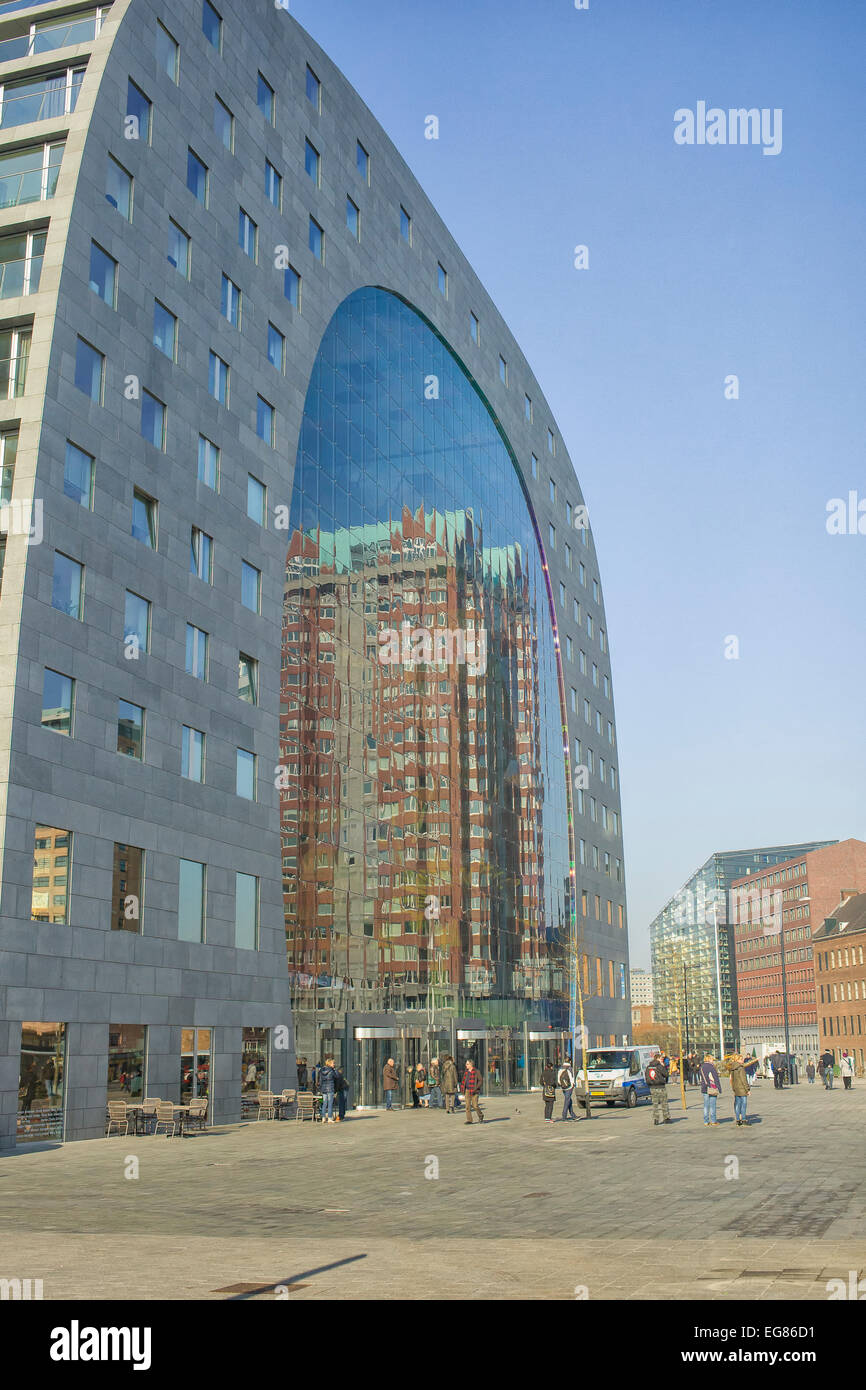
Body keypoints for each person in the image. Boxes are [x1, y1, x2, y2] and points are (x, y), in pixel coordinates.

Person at [645, 1049, 671, 1126]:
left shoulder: (649, 1066)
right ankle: (666, 1118)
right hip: (660, 1086)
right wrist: (664, 1067)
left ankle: (656, 1119)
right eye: (661, 1059)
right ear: (658, 1059)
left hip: (652, 1087)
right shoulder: (659, 1066)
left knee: (655, 1104)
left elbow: (646, 1076)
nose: (661, 1060)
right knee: (664, 1103)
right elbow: (666, 1074)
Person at [727, 1053, 750, 1127]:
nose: (743, 1060)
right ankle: (743, 1119)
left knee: (737, 1104)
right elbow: (744, 1080)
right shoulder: (740, 1068)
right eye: (741, 1059)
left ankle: (738, 1120)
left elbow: (731, 1080)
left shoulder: (732, 1068)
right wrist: (748, 1089)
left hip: (736, 1088)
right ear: (737, 1060)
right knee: (743, 1105)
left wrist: (733, 1088)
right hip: (742, 1089)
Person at [700, 1053, 722, 1126]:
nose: (713, 1060)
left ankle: (706, 1121)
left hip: (704, 1087)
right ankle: (713, 1120)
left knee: (706, 1105)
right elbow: (716, 1078)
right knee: (712, 1105)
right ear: (709, 1059)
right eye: (712, 1059)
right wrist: (719, 1088)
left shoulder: (702, 1067)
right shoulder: (711, 1067)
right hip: (711, 1087)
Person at [318, 1056, 338, 1123]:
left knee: (324, 1103)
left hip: (324, 1089)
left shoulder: (321, 1070)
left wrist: (320, 1088)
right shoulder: (332, 1070)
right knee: (330, 1104)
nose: (334, 1064)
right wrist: (335, 1069)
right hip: (330, 1088)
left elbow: (320, 1080)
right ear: (329, 1064)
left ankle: (323, 1118)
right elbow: (336, 1076)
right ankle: (329, 1118)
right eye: (333, 1063)